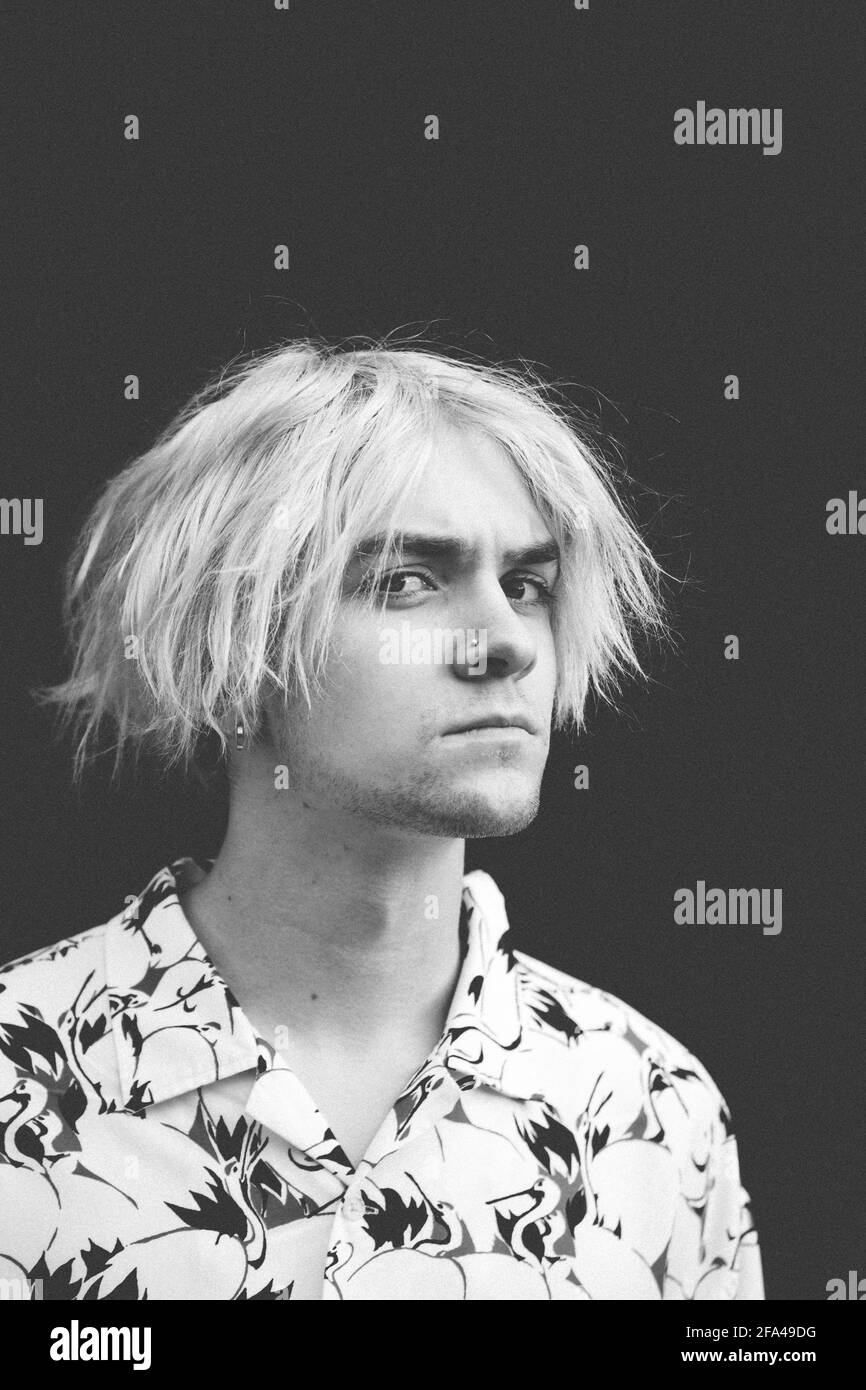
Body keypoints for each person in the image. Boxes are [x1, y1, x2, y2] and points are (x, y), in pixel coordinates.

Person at [0, 338, 764, 1300]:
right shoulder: (18, 1083)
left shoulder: (653, 1112)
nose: (504, 643)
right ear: (230, 642)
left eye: (526, 584)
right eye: (407, 581)